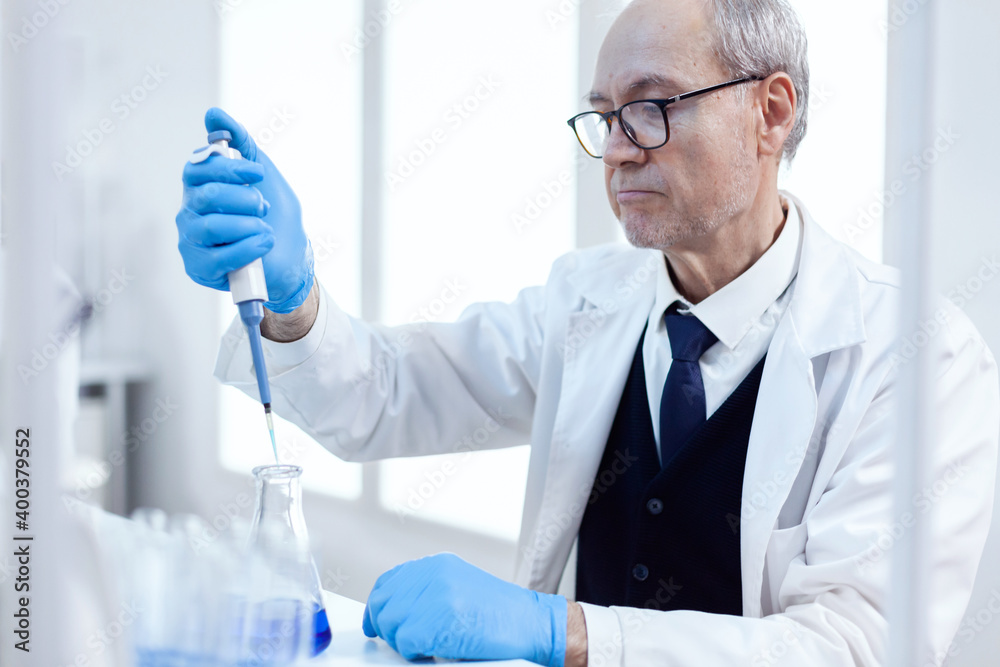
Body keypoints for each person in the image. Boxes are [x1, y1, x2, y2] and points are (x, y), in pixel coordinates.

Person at [175, 0, 999, 664]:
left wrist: (562, 631)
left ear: (770, 111)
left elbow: (854, 647)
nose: (616, 152)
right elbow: (388, 395)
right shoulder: (587, 300)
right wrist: (294, 298)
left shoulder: (918, 357)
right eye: (604, 117)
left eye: (649, 108)